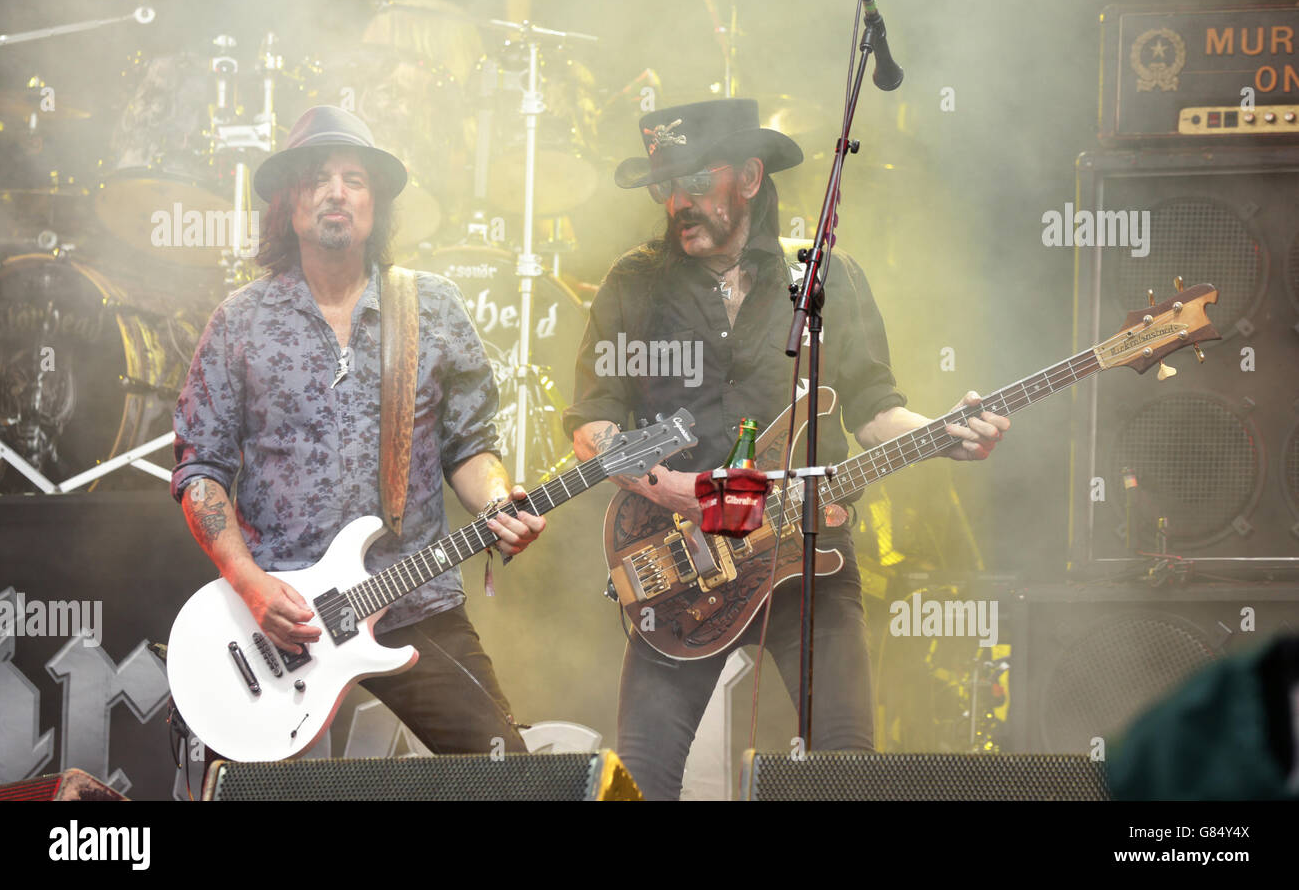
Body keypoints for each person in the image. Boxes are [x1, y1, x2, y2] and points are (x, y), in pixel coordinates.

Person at [564, 98, 1011, 800]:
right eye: (664, 186)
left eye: (694, 181)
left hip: (808, 558)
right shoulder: (636, 283)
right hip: (680, 563)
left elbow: (873, 412)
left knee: (844, 775)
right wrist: (676, 490)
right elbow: (591, 426)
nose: (677, 201)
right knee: (638, 786)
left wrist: (942, 434)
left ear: (747, 176)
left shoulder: (823, 280)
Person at [171, 105, 544, 760]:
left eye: (354, 178)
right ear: (290, 206)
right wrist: (251, 585)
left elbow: (468, 444)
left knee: (508, 774)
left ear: (376, 205)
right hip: (282, 623)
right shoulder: (240, 322)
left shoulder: (431, 306)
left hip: (413, 601)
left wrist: (496, 504)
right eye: (317, 178)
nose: (336, 192)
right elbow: (199, 470)